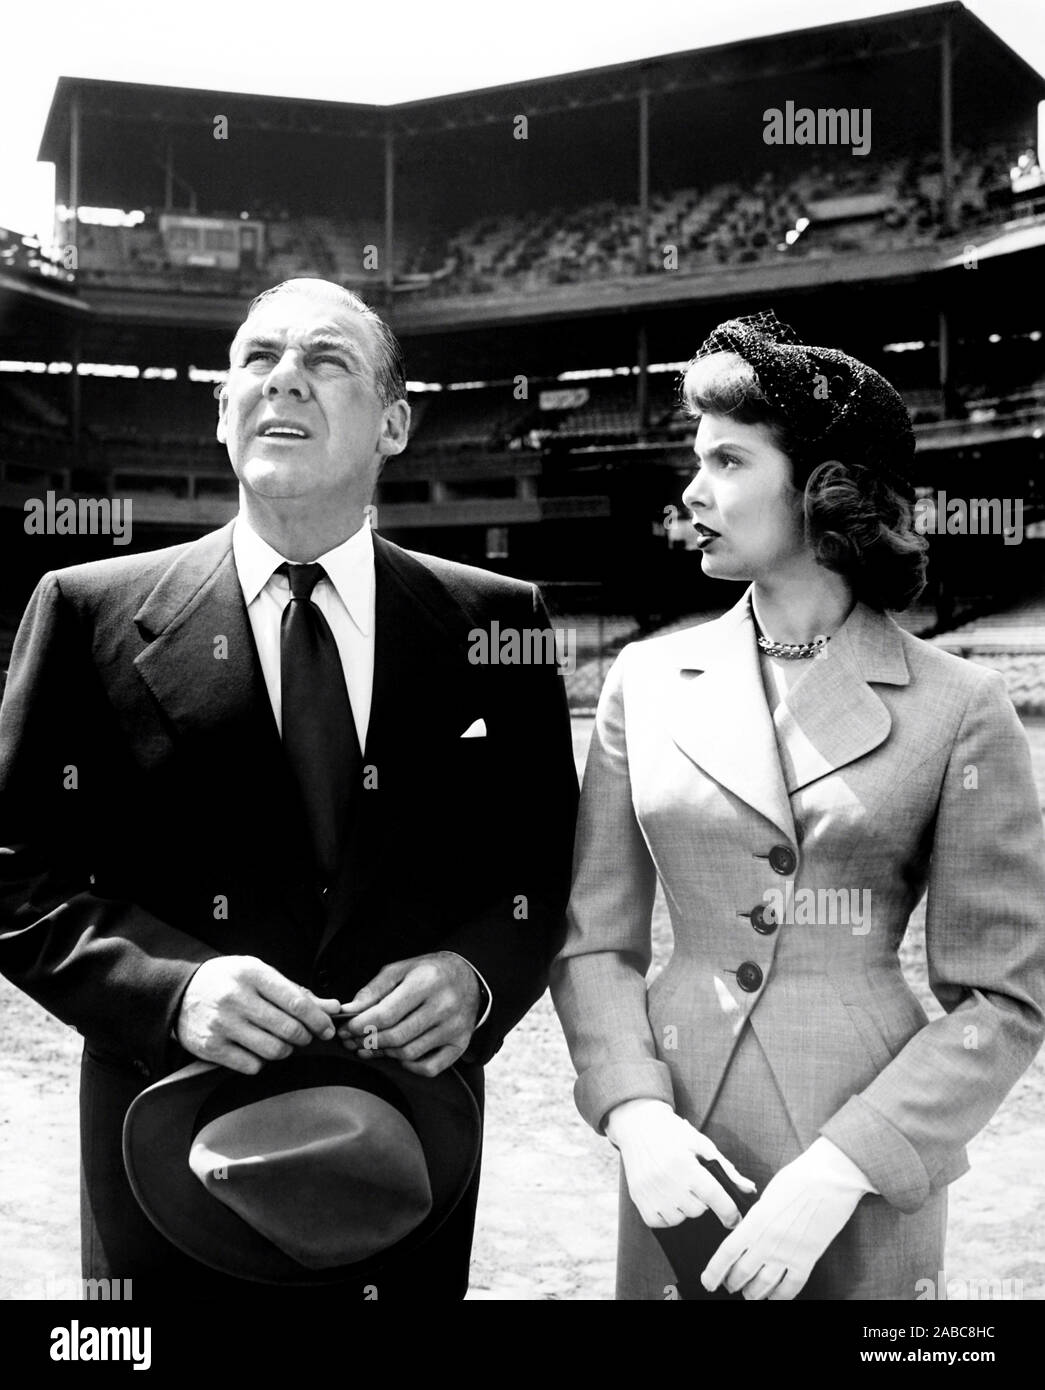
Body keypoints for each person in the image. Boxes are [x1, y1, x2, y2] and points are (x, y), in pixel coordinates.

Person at [0, 277, 578, 1300]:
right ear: (221, 410)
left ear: (394, 423)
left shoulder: (504, 619)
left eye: (326, 360)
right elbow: (12, 871)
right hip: (164, 1162)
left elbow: (540, 865)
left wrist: (472, 975)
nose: (285, 382)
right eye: (258, 359)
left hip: (401, 1156)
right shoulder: (85, 613)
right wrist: (170, 988)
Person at [550, 310, 1045, 1301]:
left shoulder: (959, 707)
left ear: (824, 491)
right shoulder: (641, 683)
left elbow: (1004, 995)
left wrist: (847, 1163)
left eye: (728, 461)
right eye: (697, 460)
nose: (692, 490)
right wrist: (634, 1113)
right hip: (677, 1143)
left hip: (863, 1154)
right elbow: (592, 944)